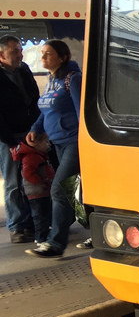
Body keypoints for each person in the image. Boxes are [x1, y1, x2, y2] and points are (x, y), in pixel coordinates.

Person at [25, 40, 81, 258]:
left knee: (59, 189)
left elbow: (80, 112)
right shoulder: (51, 81)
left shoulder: (72, 80)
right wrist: (35, 128)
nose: (43, 58)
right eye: (43, 54)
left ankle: (55, 243)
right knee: (73, 192)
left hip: (73, 143)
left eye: (48, 54)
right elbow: (45, 111)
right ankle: (95, 234)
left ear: (62, 57)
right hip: (56, 144)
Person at [0, 34, 40, 244]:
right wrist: (9, 141)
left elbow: (34, 99)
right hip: (8, 137)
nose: (19, 54)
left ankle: (32, 223)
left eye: (20, 50)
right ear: (1, 55)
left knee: (31, 179)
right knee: (14, 182)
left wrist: (37, 128)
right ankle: (17, 226)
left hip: (29, 133)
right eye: (14, 51)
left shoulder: (24, 70)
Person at [10, 138, 53, 244]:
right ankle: (40, 238)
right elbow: (27, 173)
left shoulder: (38, 155)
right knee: (40, 216)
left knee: (43, 215)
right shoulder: (32, 157)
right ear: (36, 143)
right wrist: (40, 181)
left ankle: (43, 235)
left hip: (41, 191)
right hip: (37, 192)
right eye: (45, 142)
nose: (48, 144)